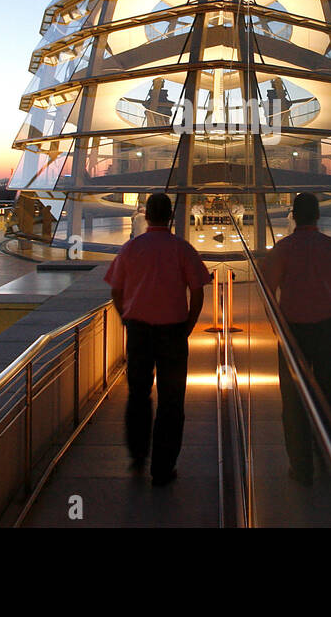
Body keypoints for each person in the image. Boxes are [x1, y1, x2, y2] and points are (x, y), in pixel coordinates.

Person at [104, 192, 211, 486]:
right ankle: (163, 468)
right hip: (173, 333)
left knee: (138, 394)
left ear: (147, 216)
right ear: (171, 216)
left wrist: (126, 317)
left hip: (138, 331)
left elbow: (115, 289)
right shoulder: (183, 249)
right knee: (172, 401)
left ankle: (138, 455)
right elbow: (198, 289)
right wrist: (188, 324)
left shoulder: (130, 249)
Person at [261, 192, 331, 486]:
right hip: (326, 330)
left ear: (294, 215)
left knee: (293, 399)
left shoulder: (284, 249)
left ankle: (301, 468)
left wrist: (277, 324)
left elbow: (268, 290)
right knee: (328, 395)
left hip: (294, 332)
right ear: (317, 215)